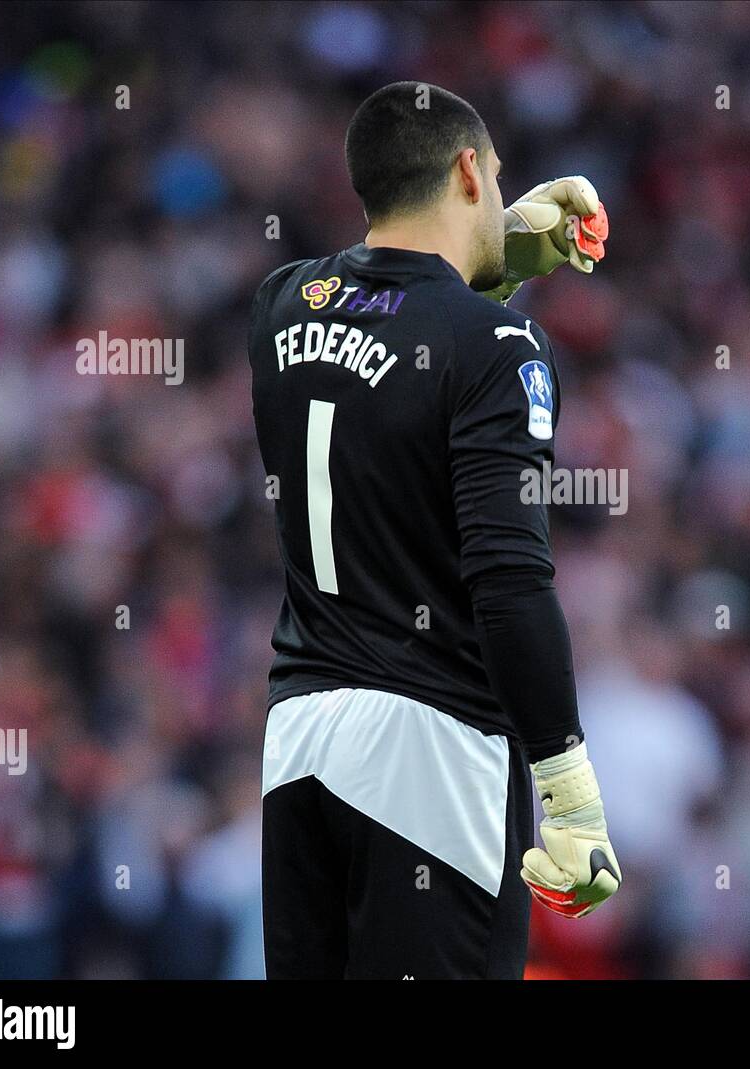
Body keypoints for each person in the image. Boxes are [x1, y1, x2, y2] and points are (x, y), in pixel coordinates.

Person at [248, 81, 619, 979]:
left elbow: (390, 321)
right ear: (466, 172)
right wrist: (564, 789)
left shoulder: (281, 304)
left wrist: (507, 255)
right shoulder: (503, 349)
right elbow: (508, 577)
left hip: (298, 745)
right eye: (494, 178)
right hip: (430, 754)